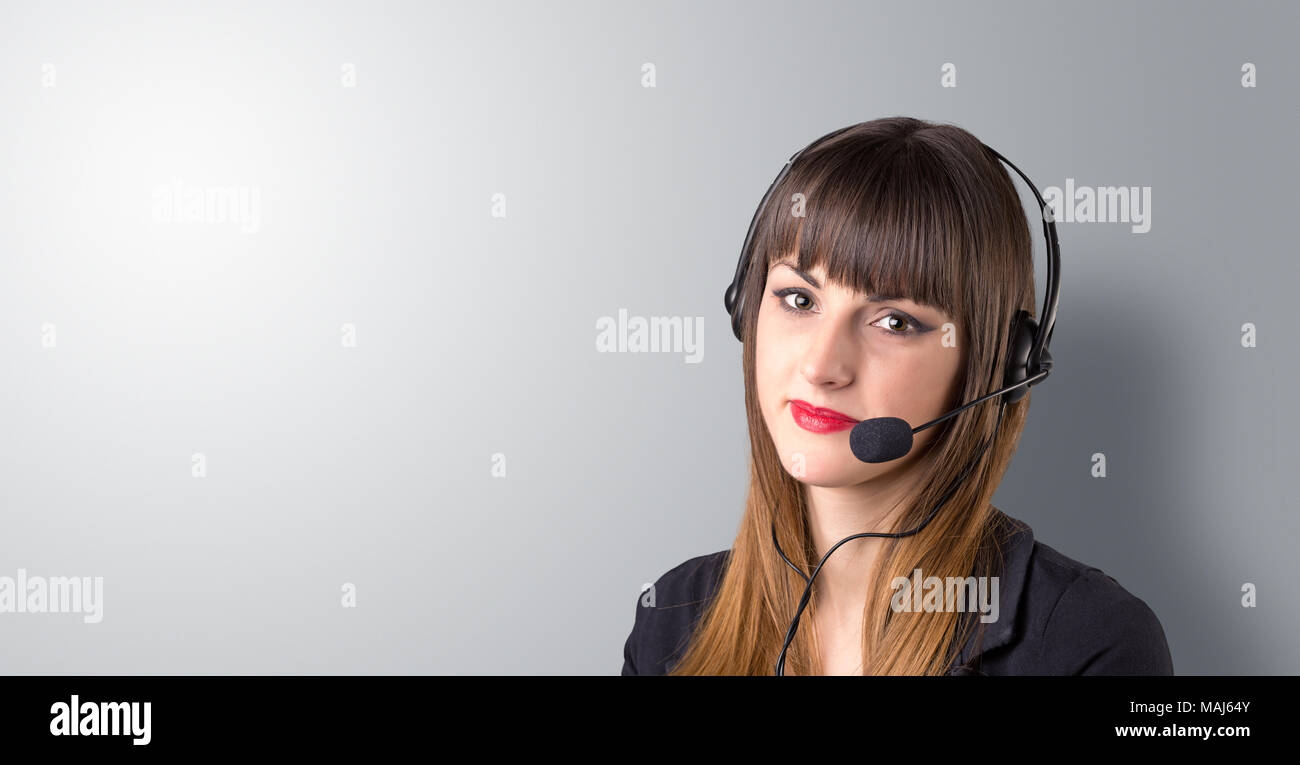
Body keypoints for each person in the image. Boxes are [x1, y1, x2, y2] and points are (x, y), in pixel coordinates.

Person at [621, 116, 1173, 676]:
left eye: (893, 321)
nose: (820, 366)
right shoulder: (672, 618)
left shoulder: (1088, 642)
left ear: (999, 365)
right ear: (746, 308)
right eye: (798, 299)